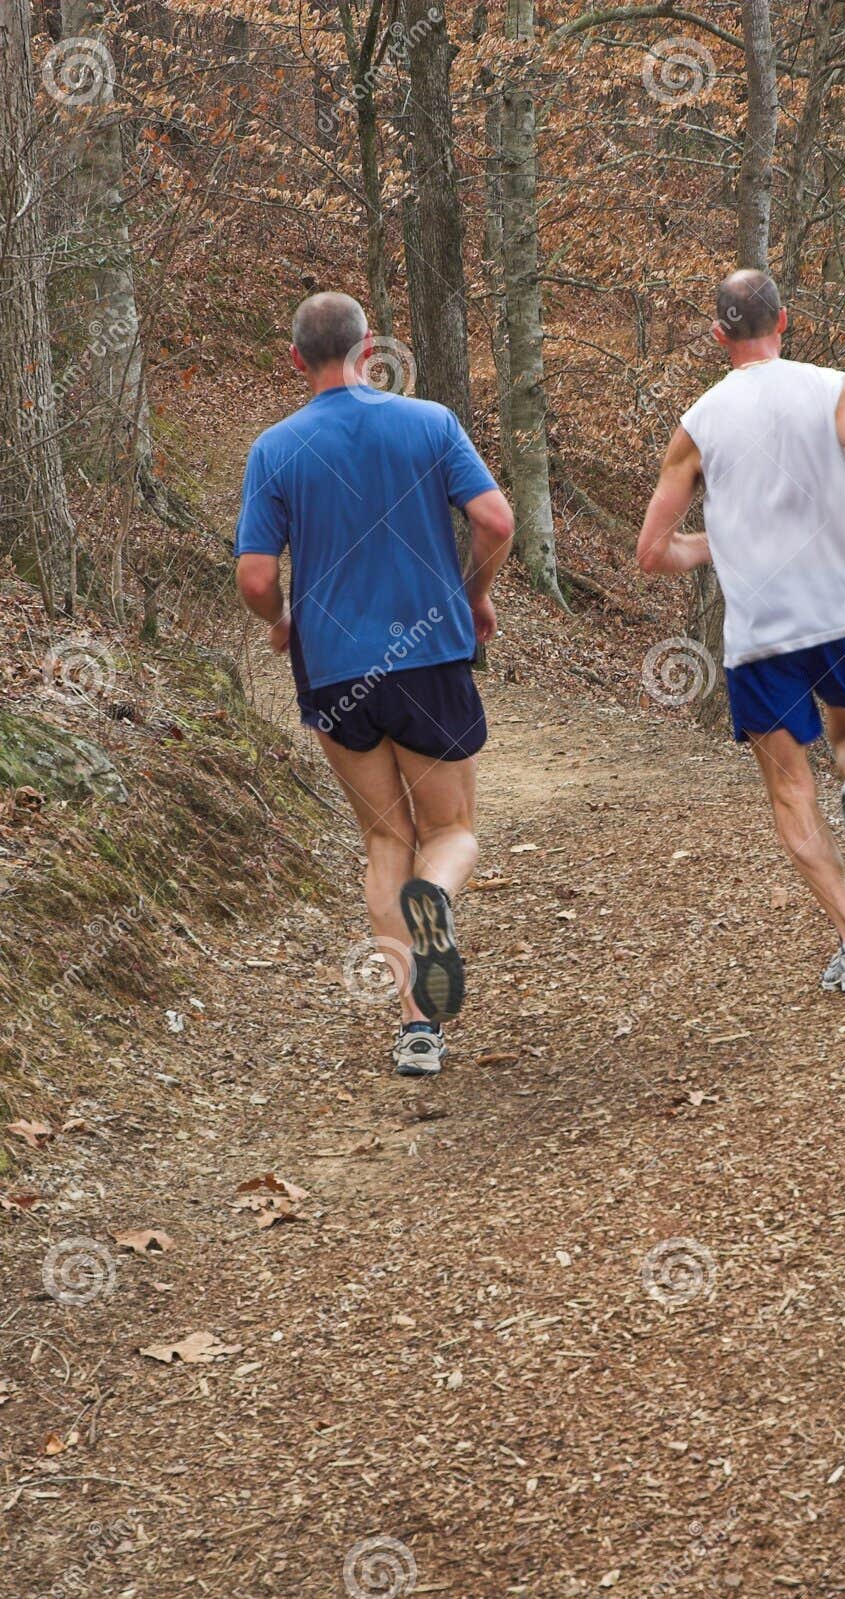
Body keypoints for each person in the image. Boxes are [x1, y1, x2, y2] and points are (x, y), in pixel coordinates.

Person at [235, 292, 514, 1072]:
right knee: (450, 832)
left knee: (385, 839)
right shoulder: (429, 423)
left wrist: (281, 615)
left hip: (332, 670)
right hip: (427, 657)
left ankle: (416, 1027)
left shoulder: (276, 449)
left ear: (296, 360)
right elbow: (494, 519)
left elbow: (255, 575)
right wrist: (475, 592)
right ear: (368, 349)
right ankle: (437, 905)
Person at [637, 269, 845, 992]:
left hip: (761, 628)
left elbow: (653, 553)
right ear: (784, 320)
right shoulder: (827, 386)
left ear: (719, 337)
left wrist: (721, 542)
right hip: (843, 605)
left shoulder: (698, 422)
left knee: (788, 786)